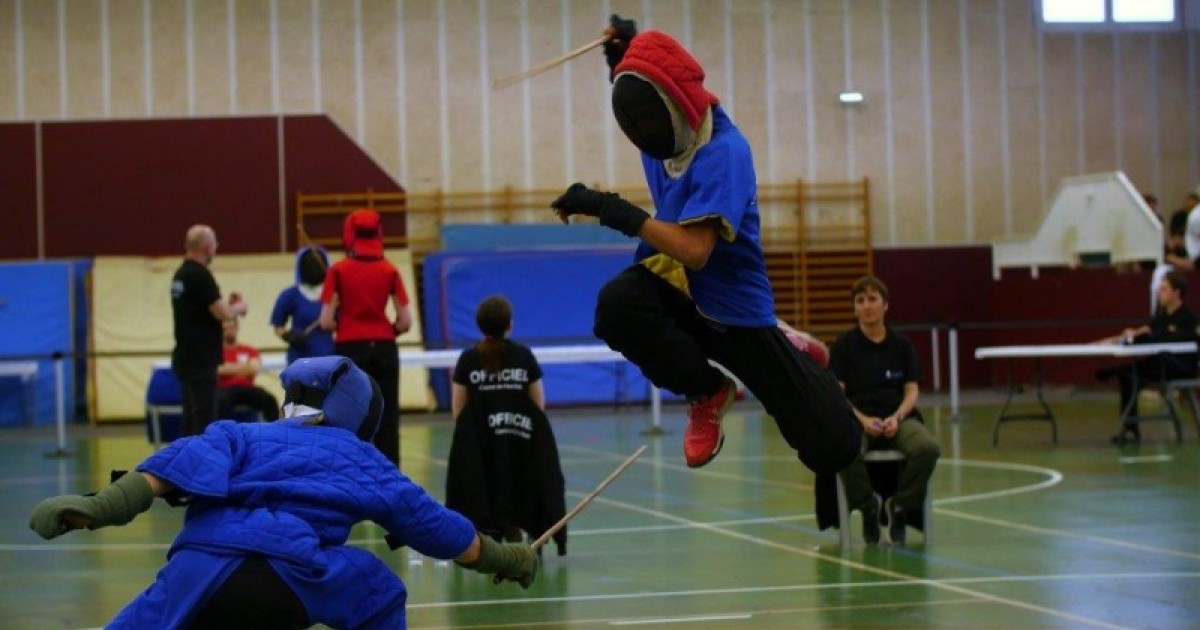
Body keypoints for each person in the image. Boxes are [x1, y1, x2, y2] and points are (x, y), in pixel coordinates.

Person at [548, 17, 861, 476]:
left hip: (731, 301)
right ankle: (707, 393)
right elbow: (647, 91)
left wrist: (611, 209)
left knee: (833, 447)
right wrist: (625, 57)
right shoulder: (664, 138)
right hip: (673, 281)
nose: (640, 128)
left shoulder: (724, 152)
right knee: (616, 307)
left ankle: (786, 343)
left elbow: (697, 251)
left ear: (678, 104)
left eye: (648, 115)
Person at [28, 356, 537, 629]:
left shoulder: (237, 433)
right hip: (293, 578)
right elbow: (436, 528)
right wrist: (504, 557)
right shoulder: (358, 454)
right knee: (380, 594)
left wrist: (97, 507)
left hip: (199, 570)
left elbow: (166, 471)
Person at [445, 296, 566, 552]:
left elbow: (458, 411)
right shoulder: (523, 356)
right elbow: (538, 405)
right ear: (509, 325)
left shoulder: (468, 359)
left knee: (485, 484)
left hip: (481, 448)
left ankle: (486, 543)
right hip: (518, 444)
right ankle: (515, 536)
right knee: (517, 483)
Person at [826, 275, 940, 545]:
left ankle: (900, 508)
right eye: (860, 300)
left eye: (873, 299)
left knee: (927, 448)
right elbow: (837, 394)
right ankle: (868, 508)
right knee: (844, 450)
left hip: (899, 418)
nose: (867, 306)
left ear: (885, 305)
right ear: (855, 308)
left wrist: (897, 416)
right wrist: (862, 419)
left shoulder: (902, 346)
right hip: (858, 419)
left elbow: (912, 390)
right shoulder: (843, 347)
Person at [319, 208, 412, 466]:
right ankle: (391, 476)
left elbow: (326, 320)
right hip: (384, 345)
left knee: (349, 415)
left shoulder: (337, 271)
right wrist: (388, 330)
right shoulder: (390, 270)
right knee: (387, 415)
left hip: (350, 346)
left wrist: (342, 322)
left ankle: (351, 472)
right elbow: (406, 321)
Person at [1096, 270, 1199, 444]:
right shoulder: (1161, 317)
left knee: (1147, 364)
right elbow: (1144, 331)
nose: (1160, 293)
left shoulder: (1188, 318)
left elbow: (1170, 339)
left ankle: (1118, 372)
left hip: (1180, 368)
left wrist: (1153, 336)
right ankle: (1130, 429)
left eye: (1164, 289)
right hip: (1161, 366)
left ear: (1176, 293)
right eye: (1160, 289)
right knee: (1128, 376)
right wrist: (1111, 340)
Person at [171, 224, 247, 437]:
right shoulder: (199, 275)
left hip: (186, 356)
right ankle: (200, 466)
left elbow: (203, 309)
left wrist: (225, 306)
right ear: (207, 247)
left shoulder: (181, 274)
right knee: (203, 419)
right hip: (200, 359)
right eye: (215, 244)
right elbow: (221, 312)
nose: (217, 248)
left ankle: (185, 465)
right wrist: (239, 308)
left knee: (190, 417)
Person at [271, 245, 336, 365]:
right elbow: (278, 325)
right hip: (299, 359)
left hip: (330, 358)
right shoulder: (290, 295)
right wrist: (288, 336)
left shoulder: (335, 296)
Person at [216, 317, 280, 422]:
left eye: (232, 327)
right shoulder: (215, 351)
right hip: (224, 389)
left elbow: (254, 368)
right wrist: (244, 367)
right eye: (226, 328)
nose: (229, 331)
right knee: (217, 402)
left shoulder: (249, 350)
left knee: (270, 400)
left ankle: (273, 433)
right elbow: (218, 370)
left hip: (247, 388)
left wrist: (228, 367)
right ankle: (219, 435)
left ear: (237, 328)